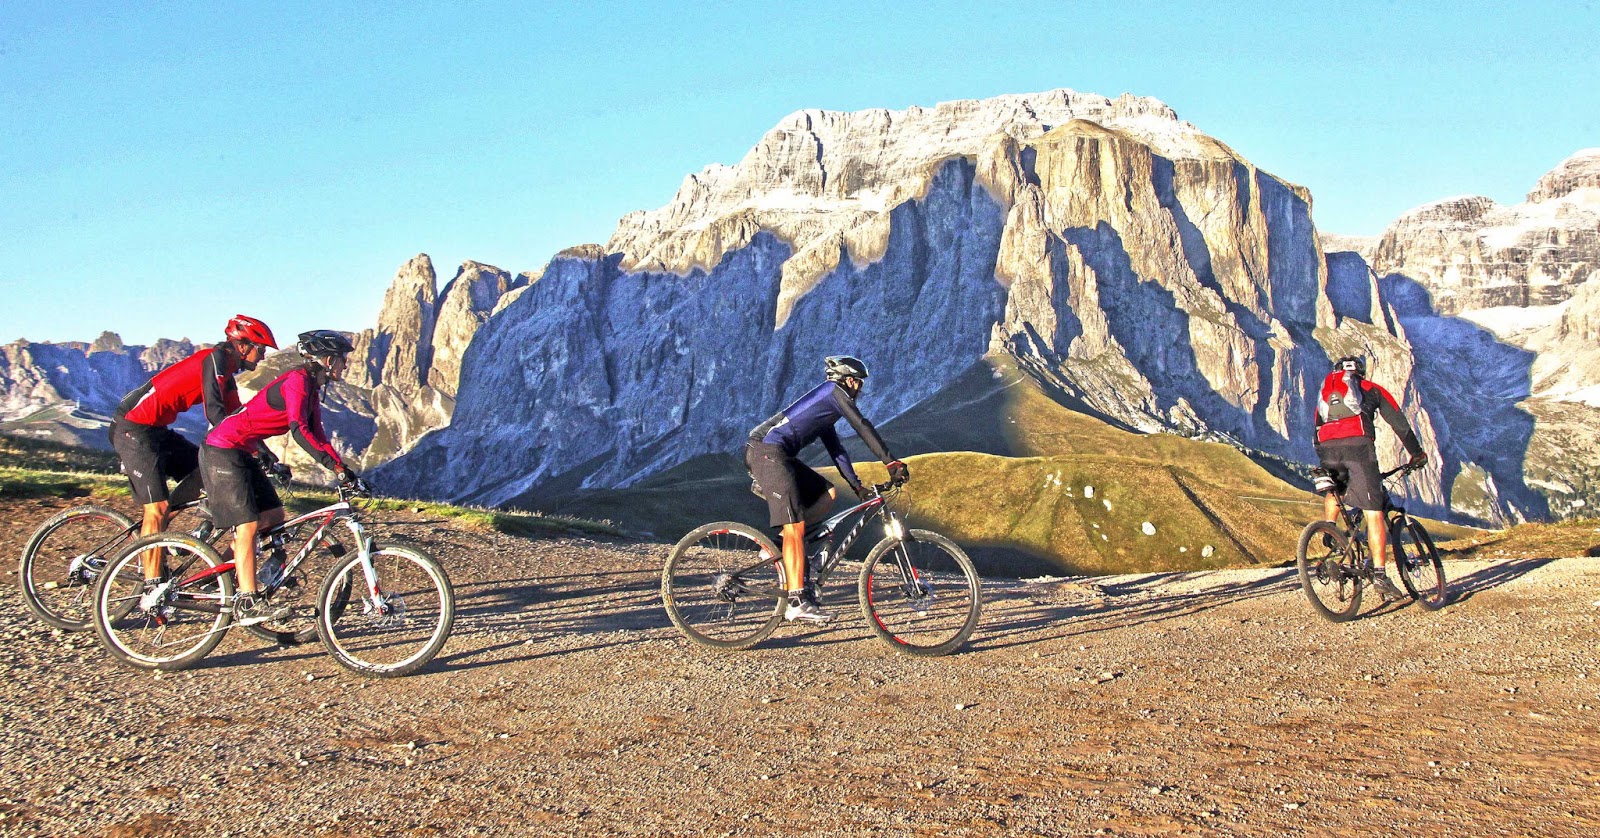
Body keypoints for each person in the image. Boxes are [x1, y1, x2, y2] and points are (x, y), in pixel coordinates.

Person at [200, 329, 364, 624]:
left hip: (244, 450)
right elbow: (299, 430)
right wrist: (335, 468)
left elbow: (318, 434)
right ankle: (248, 602)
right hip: (223, 448)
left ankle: (225, 573)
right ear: (326, 360)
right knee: (248, 523)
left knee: (274, 515)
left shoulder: (312, 387)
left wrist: (342, 469)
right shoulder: (297, 382)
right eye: (341, 360)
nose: (344, 366)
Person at [110, 314, 276, 588]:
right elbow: (215, 413)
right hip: (133, 427)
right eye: (261, 349)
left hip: (157, 430)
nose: (263, 356)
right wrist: (242, 449)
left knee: (206, 472)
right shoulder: (215, 359)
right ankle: (152, 588)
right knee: (158, 507)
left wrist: (262, 449)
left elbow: (237, 416)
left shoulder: (227, 372)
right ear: (244, 345)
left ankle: (165, 537)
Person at [746, 355, 909, 623]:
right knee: (795, 527)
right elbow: (861, 425)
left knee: (827, 494)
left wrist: (856, 487)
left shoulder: (826, 409)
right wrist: (890, 460)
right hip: (766, 451)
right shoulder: (834, 392)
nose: (860, 390)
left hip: (777, 455)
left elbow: (836, 450)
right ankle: (797, 603)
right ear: (849, 381)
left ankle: (780, 546)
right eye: (859, 383)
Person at [1314, 355, 1429, 602]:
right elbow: (1399, 423)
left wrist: (1325, 453)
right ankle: (1380, 575)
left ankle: (1330, 529)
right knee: (1374, 512)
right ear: (1361, 373)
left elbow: (1316, 427)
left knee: (1335, 488)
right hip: (1359, 447)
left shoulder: (1326, 392)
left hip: (1326, 447)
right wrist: (1416, 453)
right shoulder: (1370, 389)